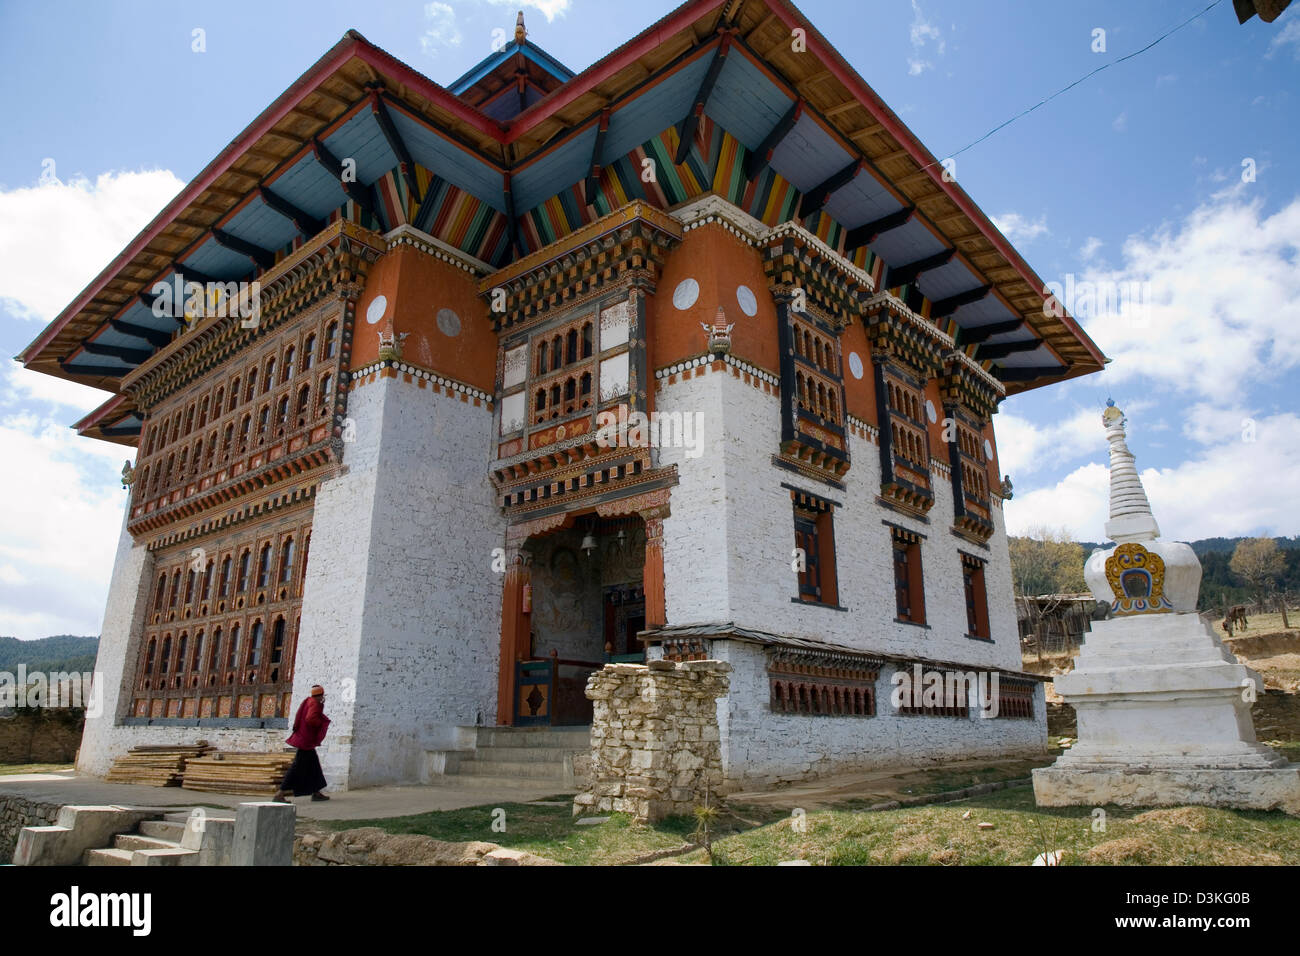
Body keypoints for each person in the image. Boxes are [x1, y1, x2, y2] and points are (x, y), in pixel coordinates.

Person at [274, 685, 331, 802]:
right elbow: (310, 718)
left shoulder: (308, 701)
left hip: (305, 740)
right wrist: (320, 723)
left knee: (314, 767)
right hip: (306, 741)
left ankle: (316, 792)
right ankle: (280, 793)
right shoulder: (314, 703)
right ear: (320, 695)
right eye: (322, 696)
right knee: (296, 767)